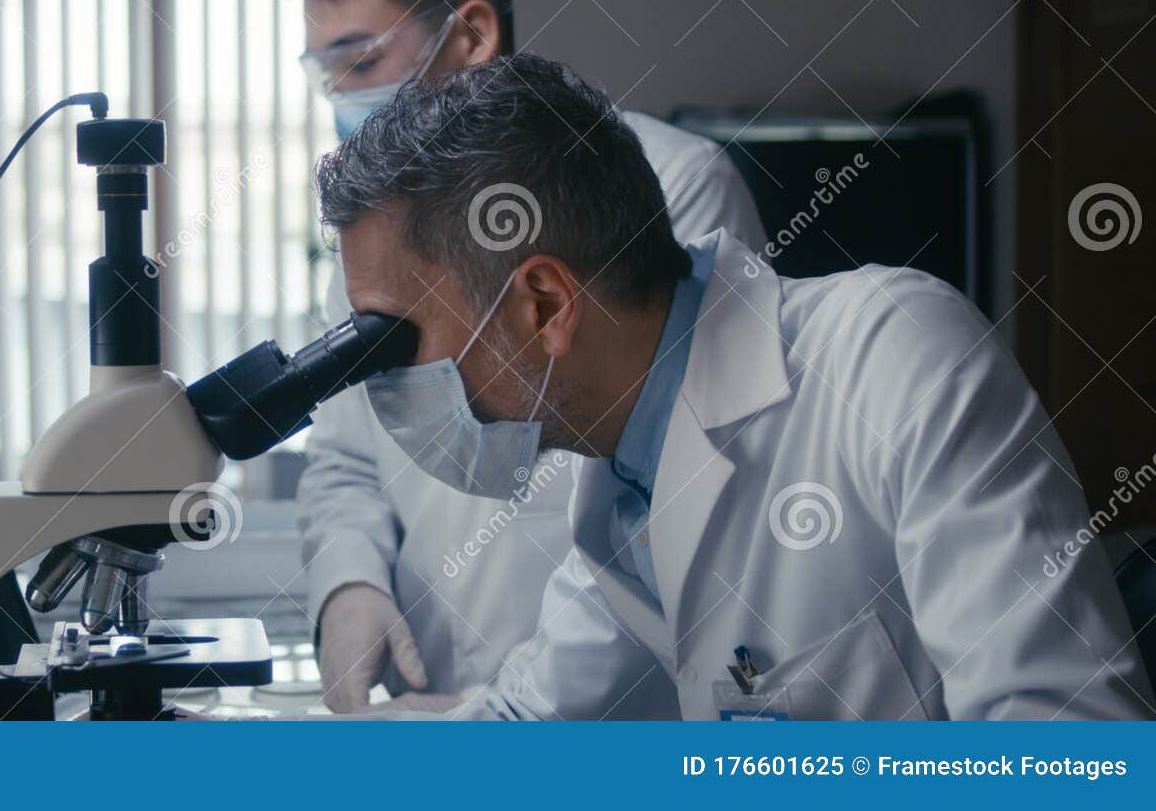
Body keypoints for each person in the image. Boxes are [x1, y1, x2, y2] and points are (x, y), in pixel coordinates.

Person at [315, 52, 1155, 720]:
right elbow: (522, 724)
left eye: (392, 338)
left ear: (543, 307)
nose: (382, 383)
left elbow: (1071, 755)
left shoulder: (895, 355)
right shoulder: (623, 481)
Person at [283, 0, 767, 713]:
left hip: (611, 715)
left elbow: (665, 487)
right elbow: (347, 458)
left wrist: (507, 714)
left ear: (471, 36)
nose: (345, 100)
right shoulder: (372, 243)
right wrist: (349, 587)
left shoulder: (670, 185)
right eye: (327, 76)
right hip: (440, 684)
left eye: (362, 63)